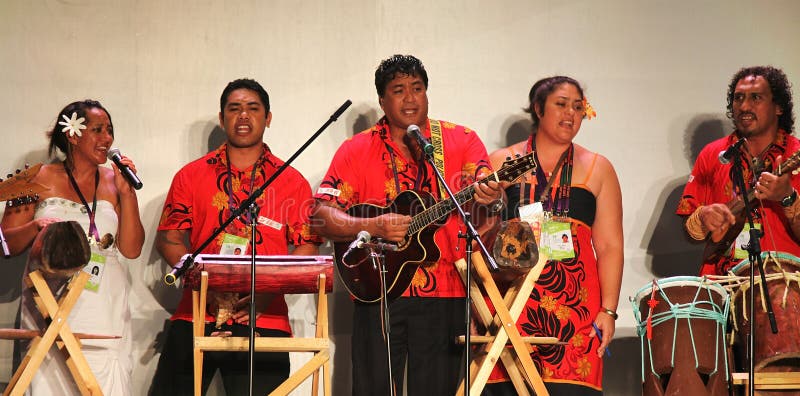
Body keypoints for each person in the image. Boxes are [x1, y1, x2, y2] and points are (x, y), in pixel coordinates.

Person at [312, 54, 503, 395]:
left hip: (446, 290)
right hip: (378, 289)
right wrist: (374, 227)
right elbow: (321, 215)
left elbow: (484, 183)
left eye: (417, 88)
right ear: (383, 100)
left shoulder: (460, 140)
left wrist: (489, 191)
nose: (411, 97)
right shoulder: (356, 149)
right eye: (399, 90)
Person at [149, 78, 321, 395]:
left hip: (265, 317)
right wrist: (206, 287)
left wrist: (264, 294)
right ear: (222, 117)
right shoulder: (191, 175)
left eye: (253, 108)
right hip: (196, 312)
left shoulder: (291, 181)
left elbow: (307, 245)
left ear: (267, 118)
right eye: (234, 109)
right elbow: (169, 239)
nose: (243, 116)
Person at [484, 76, 623, 395]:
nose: (570, 114)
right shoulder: (502, 161)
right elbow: (482, 235)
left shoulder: (598, 168)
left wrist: (609, 311)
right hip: (513, 304)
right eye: (561, 104)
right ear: (538, 108)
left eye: (577, 107)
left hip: (577, 309)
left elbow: (610, 245)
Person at [1, 99, 145, 395]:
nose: (107, 139)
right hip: (48, 298)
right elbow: (6, 244)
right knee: (49, 377)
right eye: (98, 130)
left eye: (110, 130)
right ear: (73, 134)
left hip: (103, 299)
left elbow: (131, 249)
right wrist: (36, 228)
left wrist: (127, 194)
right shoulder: (35, 179)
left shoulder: (114, 181)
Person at [677, 66, 800, 276]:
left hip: (784, 287)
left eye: (756, 98)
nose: (744, 106)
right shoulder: (713, 154)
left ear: (778, 106)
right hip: (721, 285)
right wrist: (703, 218)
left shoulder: (794, 152)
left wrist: (788, 198)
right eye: (738, 98)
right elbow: (690, 232)